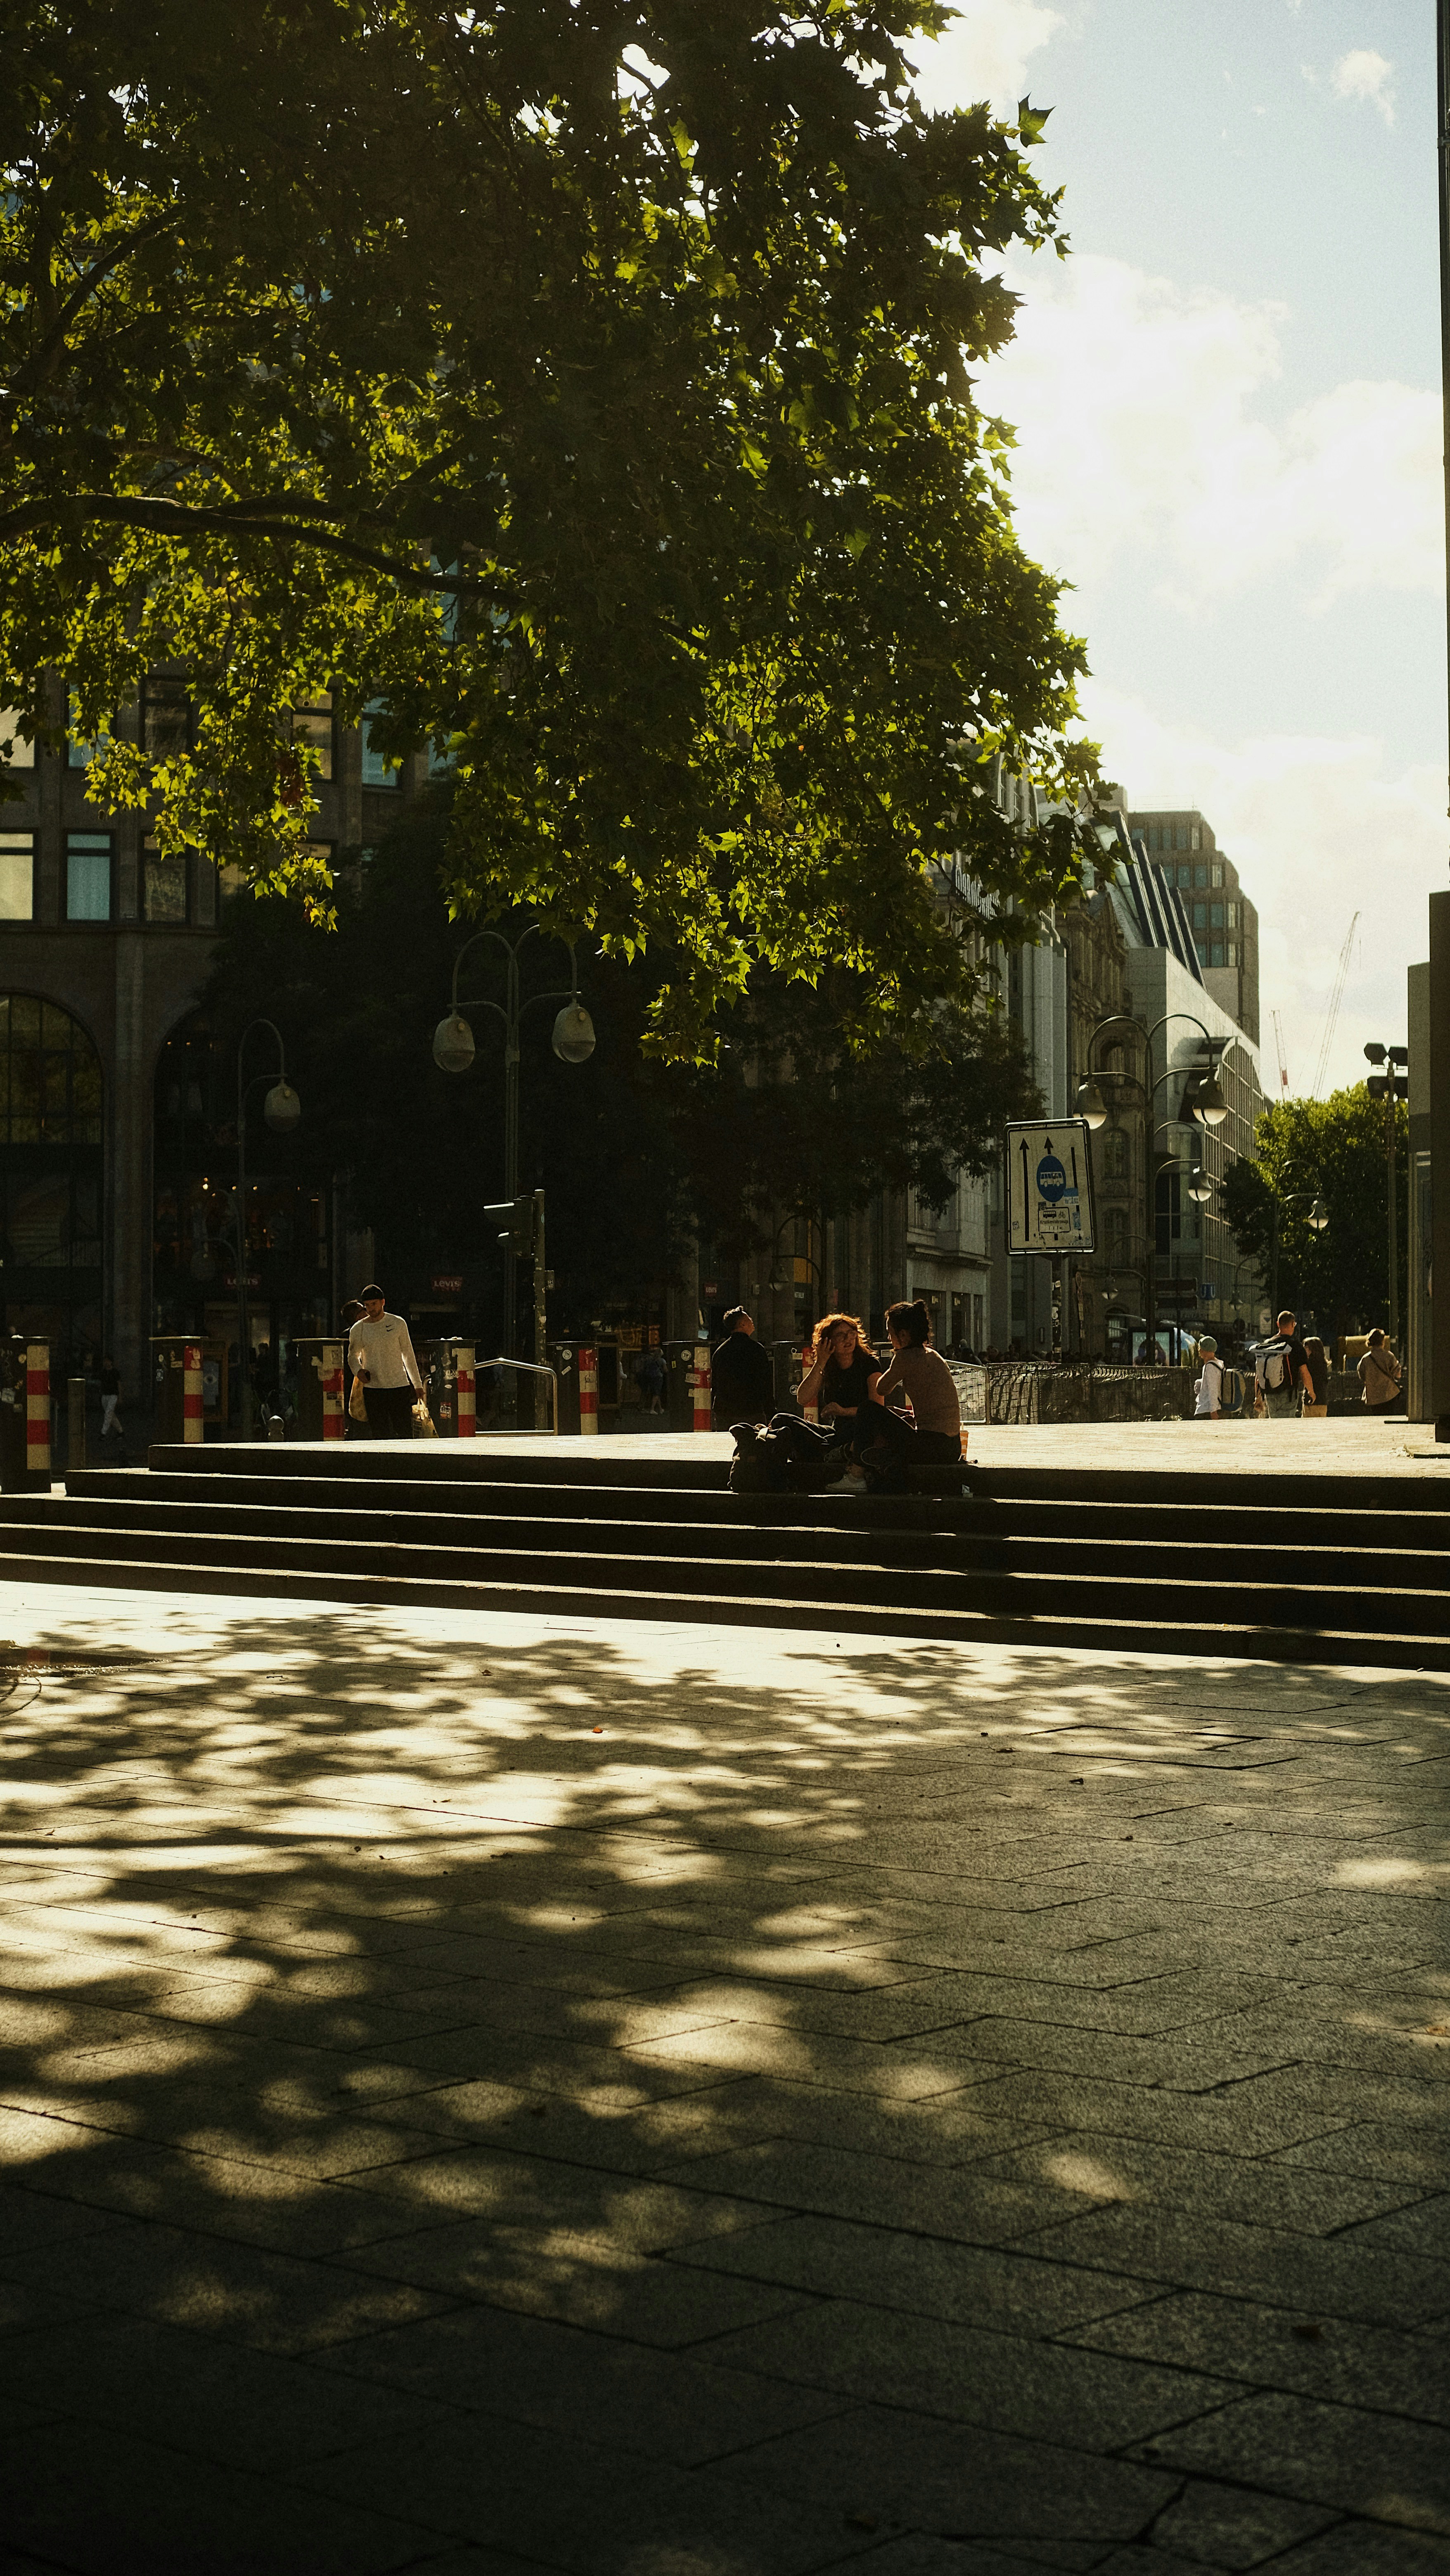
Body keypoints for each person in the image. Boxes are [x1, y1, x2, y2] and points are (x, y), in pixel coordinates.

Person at [857, 1297, 963, 1469]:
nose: (889, 1338)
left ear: (904, 1335)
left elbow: (881, 1389)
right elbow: (934, 1406)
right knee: (890, 1414)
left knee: (868, 1410)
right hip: (952, 1447)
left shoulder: (905, 1358)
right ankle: (887, 1455)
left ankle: (856, 1472)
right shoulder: (934, 1355)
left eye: (890, 1333)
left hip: (931, 1446)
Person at [797, 1314, 881, 1465]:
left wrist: (842, 1411)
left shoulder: (869, 1364)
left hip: (861, 1431)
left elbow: (877, 1409)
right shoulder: (829, 1367)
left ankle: (839, 1451)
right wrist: (821, 1361)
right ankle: (836, 1451)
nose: (848, 1339)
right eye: (840, 1336)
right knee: (783, 1420)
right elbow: (803, 1398)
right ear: (828, 1342)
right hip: (837, 1430)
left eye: (851, 1334)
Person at [346, 1283, 423, 1438]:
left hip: (399, 1386)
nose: (371, 1309)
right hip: (373, 1388)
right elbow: (352, 1356)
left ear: (383, 1302)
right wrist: (358, 1371)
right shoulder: (358, 1328)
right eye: (367, 1305)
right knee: (379, 1433)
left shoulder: (398, 1323)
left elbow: (408, 1355)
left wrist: (418, 1385)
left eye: (374, 1304)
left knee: (404, 1432)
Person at [711, 1306, 773, 1428]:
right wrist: (770, 1411)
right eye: (748, 1318)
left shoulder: (720, 1352)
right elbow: (765, 1383)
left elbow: (716, 1385)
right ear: (743, 1324)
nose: (752, 1321)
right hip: (751, 1411)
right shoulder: (756, 1349)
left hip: (725, 1412)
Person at [1255, 1309, 1314, 1419]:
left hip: (1270, 1391)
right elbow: (1304, 1372)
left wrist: (1258, 1397)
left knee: (1275, 1422)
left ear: (1278, 1324)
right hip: (1289, 1393)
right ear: (1293, 1324)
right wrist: (1311, 1391)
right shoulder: (1296, 1346)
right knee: (1286, 1425)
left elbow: (1260, 1372)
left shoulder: (1266, 1344)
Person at [1358, 1328, 1402, 1416]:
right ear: (1382, 1341)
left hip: (1373, 1396)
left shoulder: (1365, 1359)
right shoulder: (1389, 1356)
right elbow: (1398, 1374)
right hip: (1389, 1394)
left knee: (1376, 1418)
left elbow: (1362, 1375)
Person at [1193, 1335, 1223, 1420]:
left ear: (1203, 1350)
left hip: (1206, 1410)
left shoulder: (1210, 1366)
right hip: (1217, 1407)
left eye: (1200, 1348)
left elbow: (1213, 1389)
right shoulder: (1219, 1364)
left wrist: (1213, 1411)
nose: (1199, 1350)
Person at [1302, 1333, 1330, 1419]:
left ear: (1311, 1349)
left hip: (1311, 1401)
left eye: (1306, 1348)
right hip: (1323, 1401)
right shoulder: (1323, 1364)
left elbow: (1306, 1378)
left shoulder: (1308, 1364)